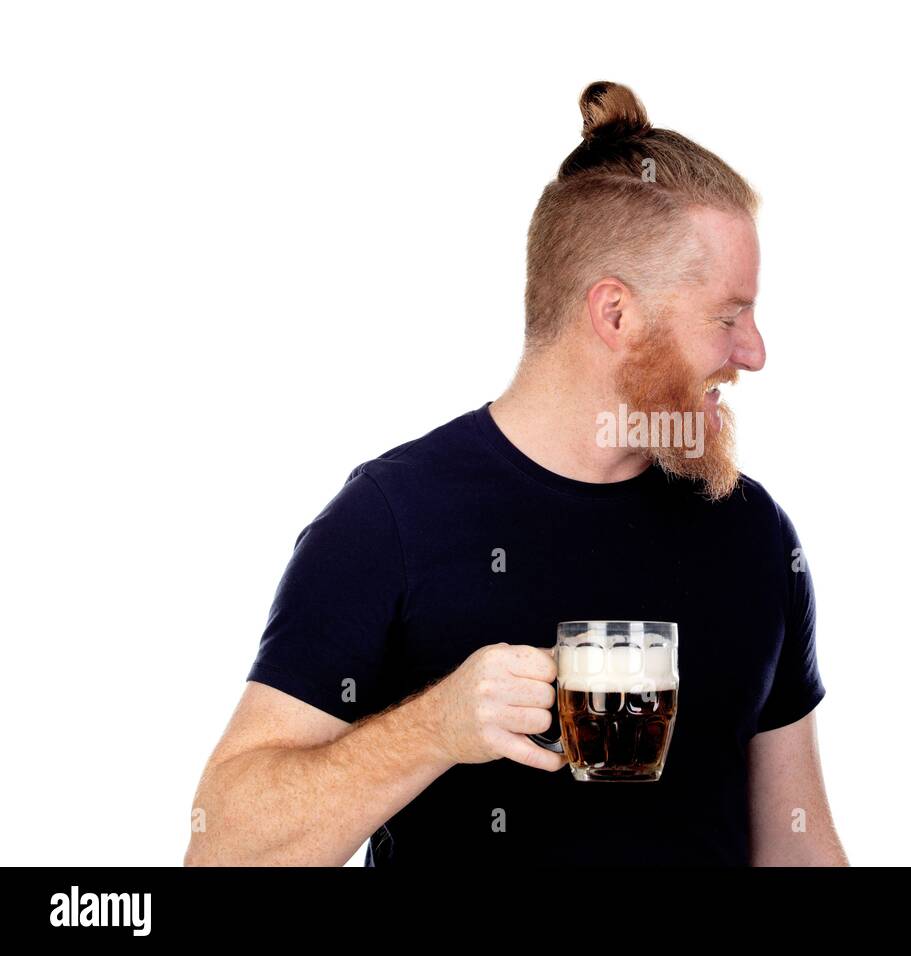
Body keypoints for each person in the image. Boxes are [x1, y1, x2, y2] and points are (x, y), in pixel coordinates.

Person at [185, 81, 848, 866]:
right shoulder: (391, 520)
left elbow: (797, 846)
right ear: (614, 315)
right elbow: (222, 849)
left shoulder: (751, 531)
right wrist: (435, 728)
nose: (754, 352)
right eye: (727, 317)